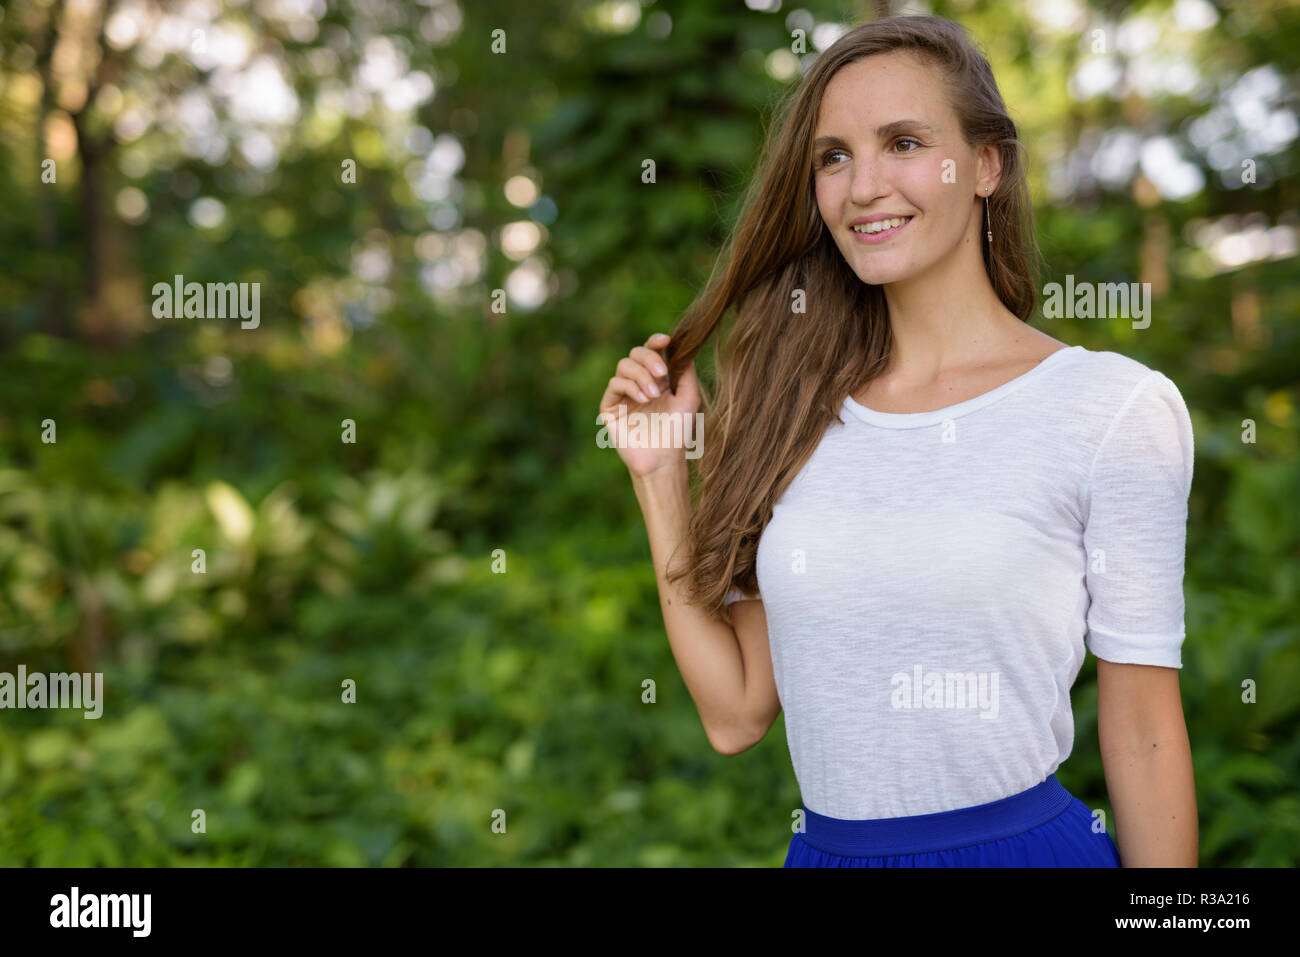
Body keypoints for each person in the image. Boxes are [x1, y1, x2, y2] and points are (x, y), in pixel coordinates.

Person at [596, 14, 1197, 867]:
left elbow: (1142, 730)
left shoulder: (1112, 410)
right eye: (833, 156)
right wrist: (659, 478)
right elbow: (735, 715)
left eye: (904, 142)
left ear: (986, 164)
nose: (863, 185)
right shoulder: (791, 409)